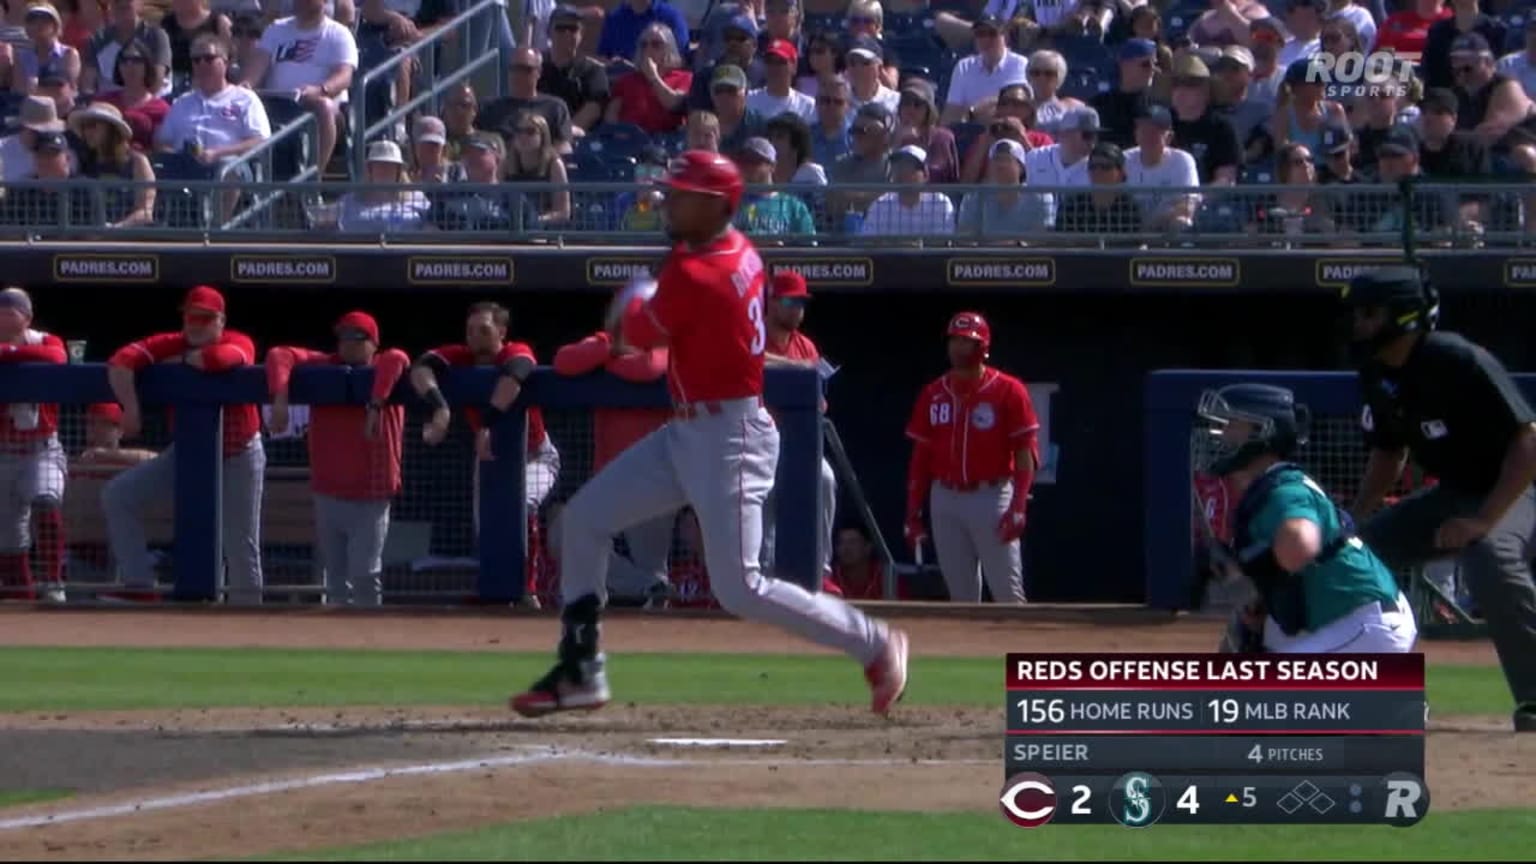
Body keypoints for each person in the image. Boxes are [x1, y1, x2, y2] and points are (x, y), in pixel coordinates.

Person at [508, 150, 908, 718]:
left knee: (740, 587)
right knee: (584, 521)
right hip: (688, 430)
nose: (669, 200)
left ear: (718, 203)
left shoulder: (701, 274)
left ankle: (874, 643)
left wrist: (630, 303)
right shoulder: (736, 248)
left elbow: (627, 336)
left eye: (682, 194)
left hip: (729, 437)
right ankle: (580, 669)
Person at [1343, 267, 1536, 732]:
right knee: (1352, 557)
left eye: (1369, 313)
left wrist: (1484, 521)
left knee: (1489, 555)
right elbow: (1390, 451)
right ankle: (1375, 689)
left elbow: (1528, 440)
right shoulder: (1377, 371)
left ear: (1405, 315)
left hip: (1520, 486)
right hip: (1457, 494)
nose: (1358, 324)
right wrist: (1351, 520)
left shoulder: (1457, 358)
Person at [1194, 382, 1416, 654]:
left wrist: (1251, 563)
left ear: (1262, 431)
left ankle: (1391, 697)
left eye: (1230, 424)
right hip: (1342, 617)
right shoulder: (1262, 490)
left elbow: (1300, 543)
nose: (1219, 434)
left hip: (1365, 622)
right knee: (1238, 645)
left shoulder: (1284, 489)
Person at [102, 285, 264, 605]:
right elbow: (120, 362)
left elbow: (220, 358)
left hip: (238, 452)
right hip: (188, 452)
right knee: (119, 495)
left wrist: (182, 359)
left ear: (221, 321)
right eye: (192, 317)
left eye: (206, 318)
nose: (196, 324)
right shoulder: (172, 342)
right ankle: (139, 584)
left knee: (239, 540)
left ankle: (249, 613)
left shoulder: (238, 339)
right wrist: (131, 408)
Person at [265, 312, 408, 607]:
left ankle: (369, 640)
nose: (348, 344)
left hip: (371, 494)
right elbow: (279, 354)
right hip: (328, 491)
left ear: (373, 343)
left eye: (357, 338)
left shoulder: (386, 366)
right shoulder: (324, 367)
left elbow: (399, 357)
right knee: (335, 578)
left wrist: (375, 404)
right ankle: (337, 644)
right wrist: (280, 399)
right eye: (343, 336)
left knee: (365, 575)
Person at [904, 311, 1036, 604]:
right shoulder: (933, 393)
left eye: (968, 342)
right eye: (954, 341)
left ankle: (1016, 649)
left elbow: (1025, 453)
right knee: (961, 599)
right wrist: (913, 512)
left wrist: (1018, 506)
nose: (959, 348)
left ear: (983, 347)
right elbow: (920, 459)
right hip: (945, 497)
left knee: (1008, 594)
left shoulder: (1008, 390)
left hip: (990, 495)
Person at [410, 301, 560, 543]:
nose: (475, 337)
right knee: (487, 529)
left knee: (519, 509)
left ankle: (533, 576)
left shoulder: (513, 350)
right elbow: (420, 368)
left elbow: (516, 374)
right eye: (470, 331)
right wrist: (441, 407)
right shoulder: (462, 357)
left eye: (484, 330)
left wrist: (487, 423)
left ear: (501, 332)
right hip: (490, 456)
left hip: (534, 455)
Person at [552, 316, 673, 607]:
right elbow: (563, 361)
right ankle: (649, 588)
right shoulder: (604, 341)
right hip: (609, 475)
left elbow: (650, 368)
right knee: (565, 535)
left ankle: (661, 628)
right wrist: (611, 349)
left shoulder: (665, 345)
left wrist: (608, 362)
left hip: (654, 476)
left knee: (651, 561)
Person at [759, 270, 837, 583]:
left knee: (826, 480)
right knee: (763, 500)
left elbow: (818, 393)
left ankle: (821, 570)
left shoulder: (805, 346)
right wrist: (798, 370)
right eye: (790, 301)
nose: (797, 309)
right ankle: (761, 575)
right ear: (772, 302)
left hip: (796, 442)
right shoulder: (755, 336)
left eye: (801, 302)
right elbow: (751, 361)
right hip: (758, 443)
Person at [0, 286, 67, 604]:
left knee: (46, 499)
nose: (4, 313)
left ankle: (53, 582)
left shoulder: (44, 340)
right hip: (3, 452)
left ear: (27, 317)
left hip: (41, 449)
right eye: (0, 308)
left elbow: (57, 357)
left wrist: (9, 355)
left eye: (11, 309)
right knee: (9, 541)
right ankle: (23, 604)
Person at [245, 0, 357, 174]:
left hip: (315, 106)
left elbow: (344, 76)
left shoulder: (339, 34)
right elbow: (256, 68)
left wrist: (321, 90)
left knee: (324, 106)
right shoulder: (275, 29)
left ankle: (312, 181)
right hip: (275, 103)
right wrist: (246, 86)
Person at [540, 5, 608, 134]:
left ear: (581, 35)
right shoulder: (536, 69)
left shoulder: (593, 71)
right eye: (560, 28)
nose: (567, 34)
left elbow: (592, 111)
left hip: (576, 141)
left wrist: (561, 136)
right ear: (549, 33)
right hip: (535, 137)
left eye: (573, 29)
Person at [80, 0, 172, 96]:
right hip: (108, 105)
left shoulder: (156, 36)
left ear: (140, 4)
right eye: (117, 1)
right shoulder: (98, 40)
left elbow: (156, 83)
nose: (123, 3)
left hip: (149, 103)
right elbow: (87, 86)